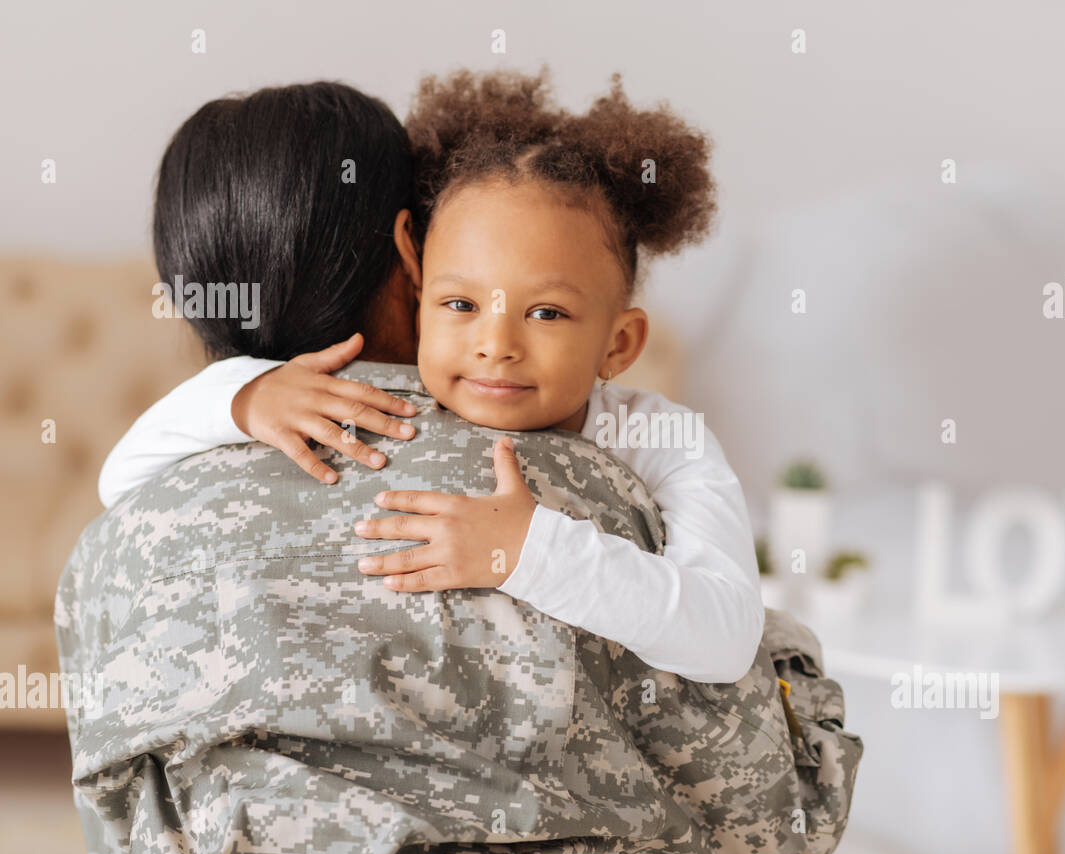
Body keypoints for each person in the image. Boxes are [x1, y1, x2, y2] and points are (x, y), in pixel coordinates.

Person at [98, 67, 765, 684]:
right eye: (460, 305)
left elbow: (727, 636)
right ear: (416, 282)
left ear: (619, 344)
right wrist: (247, 393)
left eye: (546, 312)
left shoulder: (660, 439)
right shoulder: (377, 396)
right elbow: (119, 477)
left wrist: (530, 550)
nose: (495, 346)